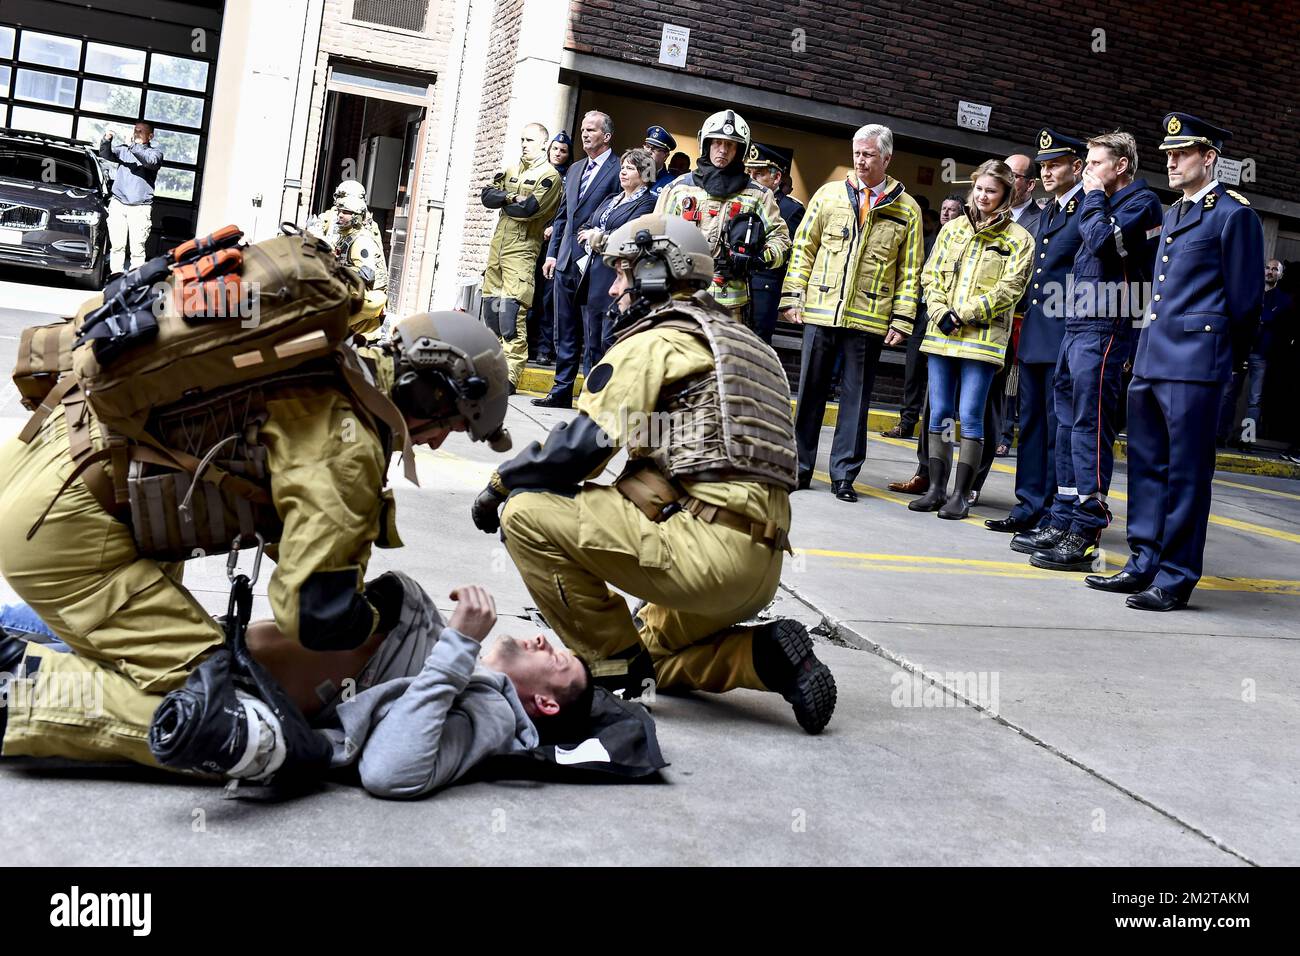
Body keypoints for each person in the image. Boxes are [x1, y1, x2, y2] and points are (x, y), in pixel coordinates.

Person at [0, 307, 512, 780]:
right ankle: (17, 693)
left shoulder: (328, 357)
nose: (438, 440)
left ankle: (21, 636)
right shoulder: (350, 445)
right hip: (68, 528)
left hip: (49, 463)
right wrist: (381, 619)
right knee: (226, 713)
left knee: (145, 643)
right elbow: (312, 617)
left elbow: (288, 511)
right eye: (450, 423)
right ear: (430, 392)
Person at [470, 213, 836, 735]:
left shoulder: (656, 341)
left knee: (527, 514)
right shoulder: (753, 348)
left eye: (622, 272)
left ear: (655, 274)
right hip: (759, 567)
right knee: (650, 653)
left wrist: (503, 482)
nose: (615, 287)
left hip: (702, 555)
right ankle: (764, 655)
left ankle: (611, 673)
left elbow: (583, 449)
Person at [1087, 113, 1264, 610]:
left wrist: (1225, 362)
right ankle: (1143, 561)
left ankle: (1176, 575)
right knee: (1145, 467)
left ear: (1209, 157)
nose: (1171, 161)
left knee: (1185, 474)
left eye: (1182, 153)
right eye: (1167, 154)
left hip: (1195, 363)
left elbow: (1245, 303)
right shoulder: (1176, 213)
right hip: (1152, 358)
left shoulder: (1233, 214)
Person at [1028, 131, 1163, 572]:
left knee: (1090, 426)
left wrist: (1091, 197)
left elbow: (1105, 244)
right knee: (1066, 426)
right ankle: (1064, 515)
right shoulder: (1102, 201)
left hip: (1107, 327)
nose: (1087, 171)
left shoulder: (1141, 205)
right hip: (1075, 324)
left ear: (1121, 165)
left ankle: (1086, 528)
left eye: (1094, 164)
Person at [781, 124, 923, 502]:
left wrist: (903, 319)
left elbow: (910, 270)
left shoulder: (906, 209)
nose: (860, 160)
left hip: (869, 318)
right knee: (809, 393)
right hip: (822, 310)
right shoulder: (828, 196)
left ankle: (844, 475)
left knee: (856, 399)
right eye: (857, 153)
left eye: (869, 155)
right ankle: (799, 468)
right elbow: (804, 249)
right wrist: (793, 296)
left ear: (886, 159)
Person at [909, 159, 1033, 519]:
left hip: (981, 341)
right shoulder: (952, 230)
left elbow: (1011, 288)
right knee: (941, 413)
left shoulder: (1018, 239)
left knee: (971, 415)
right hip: (941, 334)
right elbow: (930, 275)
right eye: (978, 188)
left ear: (1007, 195)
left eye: (991, 191)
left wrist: (962, 314)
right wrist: (938, 311)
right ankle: (936, 488)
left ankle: (962, 495)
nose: (982, 196)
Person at [985, 131, 1086, 537]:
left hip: (1063, 332)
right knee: (1029, 425)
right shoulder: (1048, 212)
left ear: (1076, 167)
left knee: (1053, 428)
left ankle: (1050, 510)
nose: (1046, 172)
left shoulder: (1085, 210)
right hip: (1035, 332)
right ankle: (1027, 504)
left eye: (1054, 165)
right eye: (1043, 165)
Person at [654, 108, 791, 325]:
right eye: (717, 142)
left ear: (740, 150)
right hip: (681, 296)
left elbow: (782, 241)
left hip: (731, 305)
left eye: (730, 144)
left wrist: (757, 258)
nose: (723, 150)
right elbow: (656, 234)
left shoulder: (758, 195)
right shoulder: (678, 190)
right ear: (706, 144)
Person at [533, 111, 621, 409]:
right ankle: (561, 390)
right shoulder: (574, 169)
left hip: (596, 265)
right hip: (566, 261)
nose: (584, 135)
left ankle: (592, 396)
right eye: (583, 129)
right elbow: (562, 217)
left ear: (606, 136)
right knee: (564, 328)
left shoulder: (619, 169)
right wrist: (552, 254)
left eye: (592, 130)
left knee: (592, 332)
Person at [887, 194, 966, 490]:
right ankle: (914, 442)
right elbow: (923, 276)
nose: (946, 214)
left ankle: (952, 482)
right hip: (924, 317)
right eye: (943, 208)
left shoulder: (963, 239)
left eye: (952, 210)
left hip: (953, 324)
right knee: (913, 375)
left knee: (942, 402)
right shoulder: (930, 238)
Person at [479, 122, 564, 391]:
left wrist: (507, 200)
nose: (524, 144)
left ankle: (509, 376)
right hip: (498, 248)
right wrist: (510, 197)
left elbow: (528, 210)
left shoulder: (550, 176)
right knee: (491, 313)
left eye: (529, 140)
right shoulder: (511, 168)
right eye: (522, 139)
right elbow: (486, 196)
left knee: (510, 317)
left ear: (543, 144)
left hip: (521, 250)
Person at [574, 148, 657, 366]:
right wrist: (595, 236)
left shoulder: (648, 202)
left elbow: (632, 234)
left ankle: (608, 393)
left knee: (609, 340)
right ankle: (590, 395)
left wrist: (598, 236)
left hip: (617, 276)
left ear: (644, 173)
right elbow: (586, 226)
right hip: (593, 274)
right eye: (622, 167)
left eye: (630, 168)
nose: (623, 172)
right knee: (591, 342)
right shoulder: (611, 199)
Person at [1216, 258, 1288, 447]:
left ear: (1280, 274)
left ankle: (1246, 440)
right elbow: (1239, 315)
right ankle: (1220, 435)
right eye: (1267, 268)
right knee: (1228, 394)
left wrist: (1257, 318)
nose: (1270, 271)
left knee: (1255, 399)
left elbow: (1267, 317)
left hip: (1261, 354)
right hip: (1240, 350)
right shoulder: (1251, 292)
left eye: (1275, 269)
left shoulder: (1283, 299)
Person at [744, 142, 806, 345]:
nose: (751, 178)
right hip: (737, 284)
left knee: (757, 346)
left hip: (764, 286)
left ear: (776, 177)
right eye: (749, 172)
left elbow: (790, 256)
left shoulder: (790, 209)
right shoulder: (742, 199)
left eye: (758, 174)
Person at [98, 121, 163, 276]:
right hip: (119, 204)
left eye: (140, 131)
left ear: (150, 136)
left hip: (140, 207)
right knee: (117, 246)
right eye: (135, 130)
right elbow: (105, 154)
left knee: (137, 249)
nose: (136, 133)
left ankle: (134, 281)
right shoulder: (124, 150)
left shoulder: (155, 153)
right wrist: (107, 138)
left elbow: (151, 162)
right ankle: (116, 276)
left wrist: (133, 146)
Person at [531, 132, 573, 366]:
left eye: (563, 150)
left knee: (548, 300)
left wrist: (553, 230)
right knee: (529, 297)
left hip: (553, 245)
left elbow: (564, 213)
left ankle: (544, 348)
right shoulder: (538, 173)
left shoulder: (571, 178)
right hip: (531, 242)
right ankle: (526, 345)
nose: (558, 154)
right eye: (555, 149)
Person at [331, 192, 389, 334]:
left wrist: (336, 270)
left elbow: (366, 273)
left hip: (369, 296)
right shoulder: (346, 237)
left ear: (356, 217)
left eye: (346, 212)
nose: (340, 215)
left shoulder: (360, 240)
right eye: (339, 211)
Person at [643, 125, 679, 196]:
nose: (649, 151)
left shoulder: (671, 183)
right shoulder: (633, 174)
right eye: (647, 146)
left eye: (654, 149)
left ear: (665, 155)